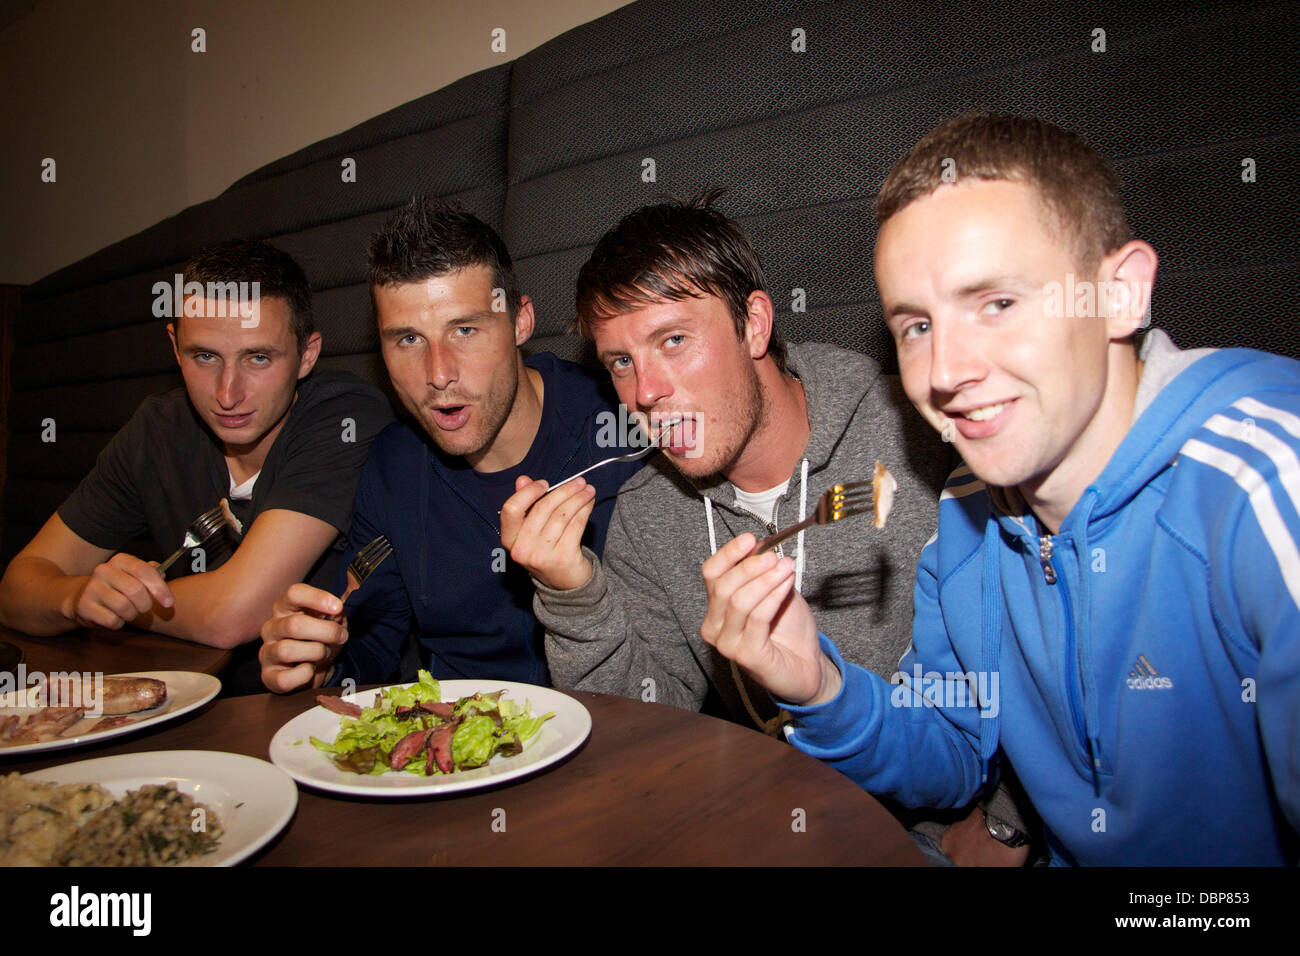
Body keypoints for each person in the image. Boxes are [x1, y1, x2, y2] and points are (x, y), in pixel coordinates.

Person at [698, 112, 1300, 865]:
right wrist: (820, 687)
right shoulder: (969, 512)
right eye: (915, 326)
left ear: (1121, 294)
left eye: (997, 304)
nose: (945, 371)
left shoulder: (1267, 477)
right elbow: (952, 751)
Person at [500, 192, 1032, 862]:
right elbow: (641, 732)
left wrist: (1010, 818)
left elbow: (1048, 634)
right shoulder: (646, 511)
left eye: (673, 341)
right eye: (620, 363)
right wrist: (572, 591)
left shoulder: (925, 442)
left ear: (754, 324)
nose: (646, 392)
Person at [258, 198, 642, 693]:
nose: (439, 374)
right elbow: (370, 647)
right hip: (456, 751)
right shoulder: (392, 465)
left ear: (520, 321)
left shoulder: (625, 423)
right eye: (408, 340)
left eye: (465, 329)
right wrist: (317, 664)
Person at [0, 240, 392, 679]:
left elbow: (233, 614)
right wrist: (76, 598)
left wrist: (132, 603)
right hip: (175, 703)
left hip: (308, 713)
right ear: (174, 346)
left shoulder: (344, 417)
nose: (228, 394)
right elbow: (16, 590)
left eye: (258, 358)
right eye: (204, 357)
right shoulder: (157, 430)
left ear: (307, 355)